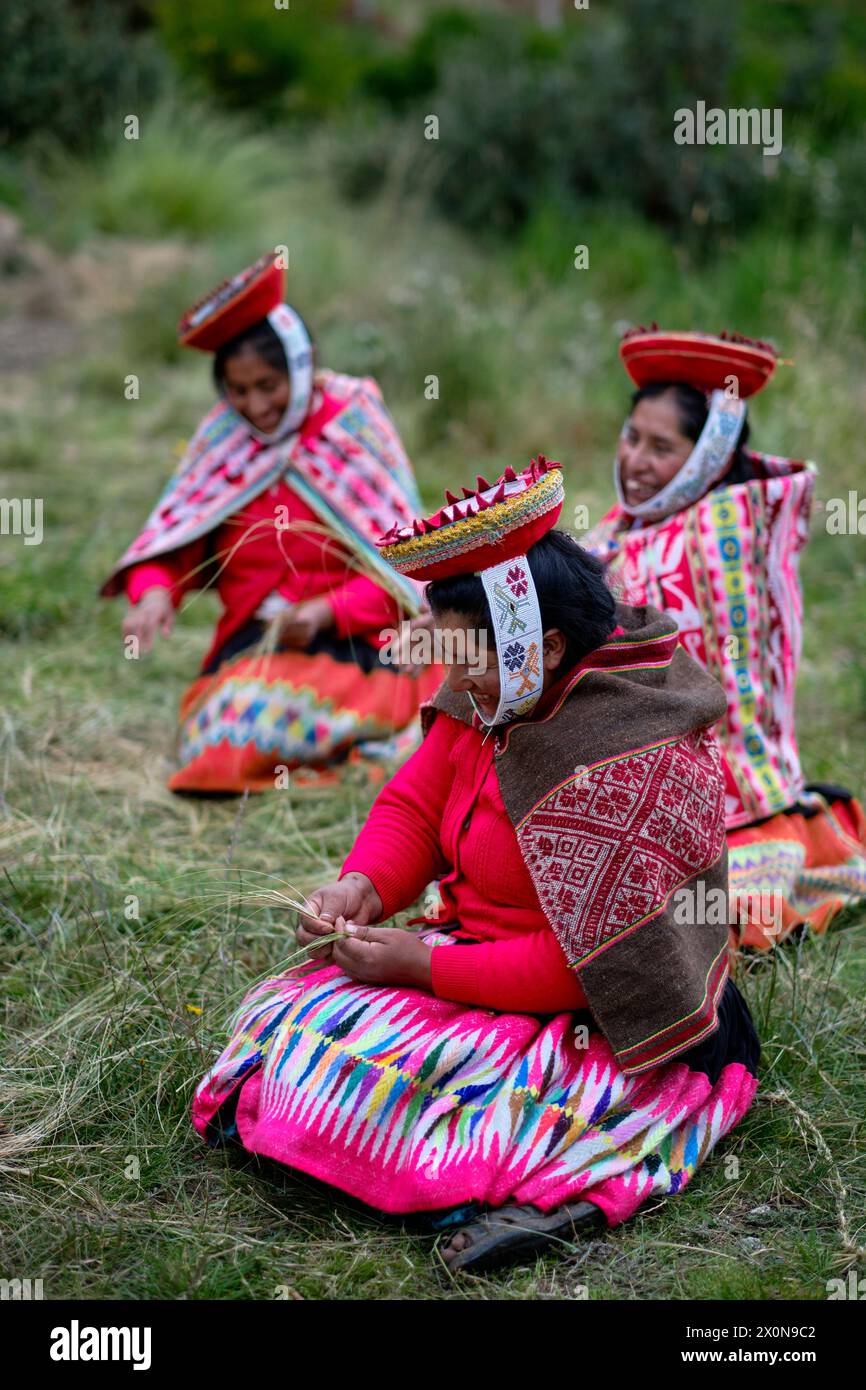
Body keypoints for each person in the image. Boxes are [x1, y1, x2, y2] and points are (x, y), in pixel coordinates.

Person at [192, 457, 760, 1274]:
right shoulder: (501, 685)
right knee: (281, 1027)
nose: (454, 682)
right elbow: (414, 808)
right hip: (468, 963)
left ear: (546, 642)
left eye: (470, 660)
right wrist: (363, 886)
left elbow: (590, 966)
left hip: (594, 1014)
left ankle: (539, 1195)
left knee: (425, 1099)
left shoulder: (630, 756)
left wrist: (421, 967)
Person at [101, 252, 441, 793]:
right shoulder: (223, 442)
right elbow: (174, 546)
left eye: (269, 386)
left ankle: (364, 745)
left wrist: (326, 613)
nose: (255, 406)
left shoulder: (352, 423)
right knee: (227, 736)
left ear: (301, 369)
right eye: (238, 391)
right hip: (257, 649)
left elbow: (402, 571)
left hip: (361, 641)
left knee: (428, 693)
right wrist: (153, 594)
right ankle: (361, 752)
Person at [583, 327, 866, 949]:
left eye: (661, 447)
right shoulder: (625, 527)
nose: (634, 462)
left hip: (729, 798)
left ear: (708, 453)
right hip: (643, 777)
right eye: (632, 438)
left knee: (681, 923)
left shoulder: (724, 529)